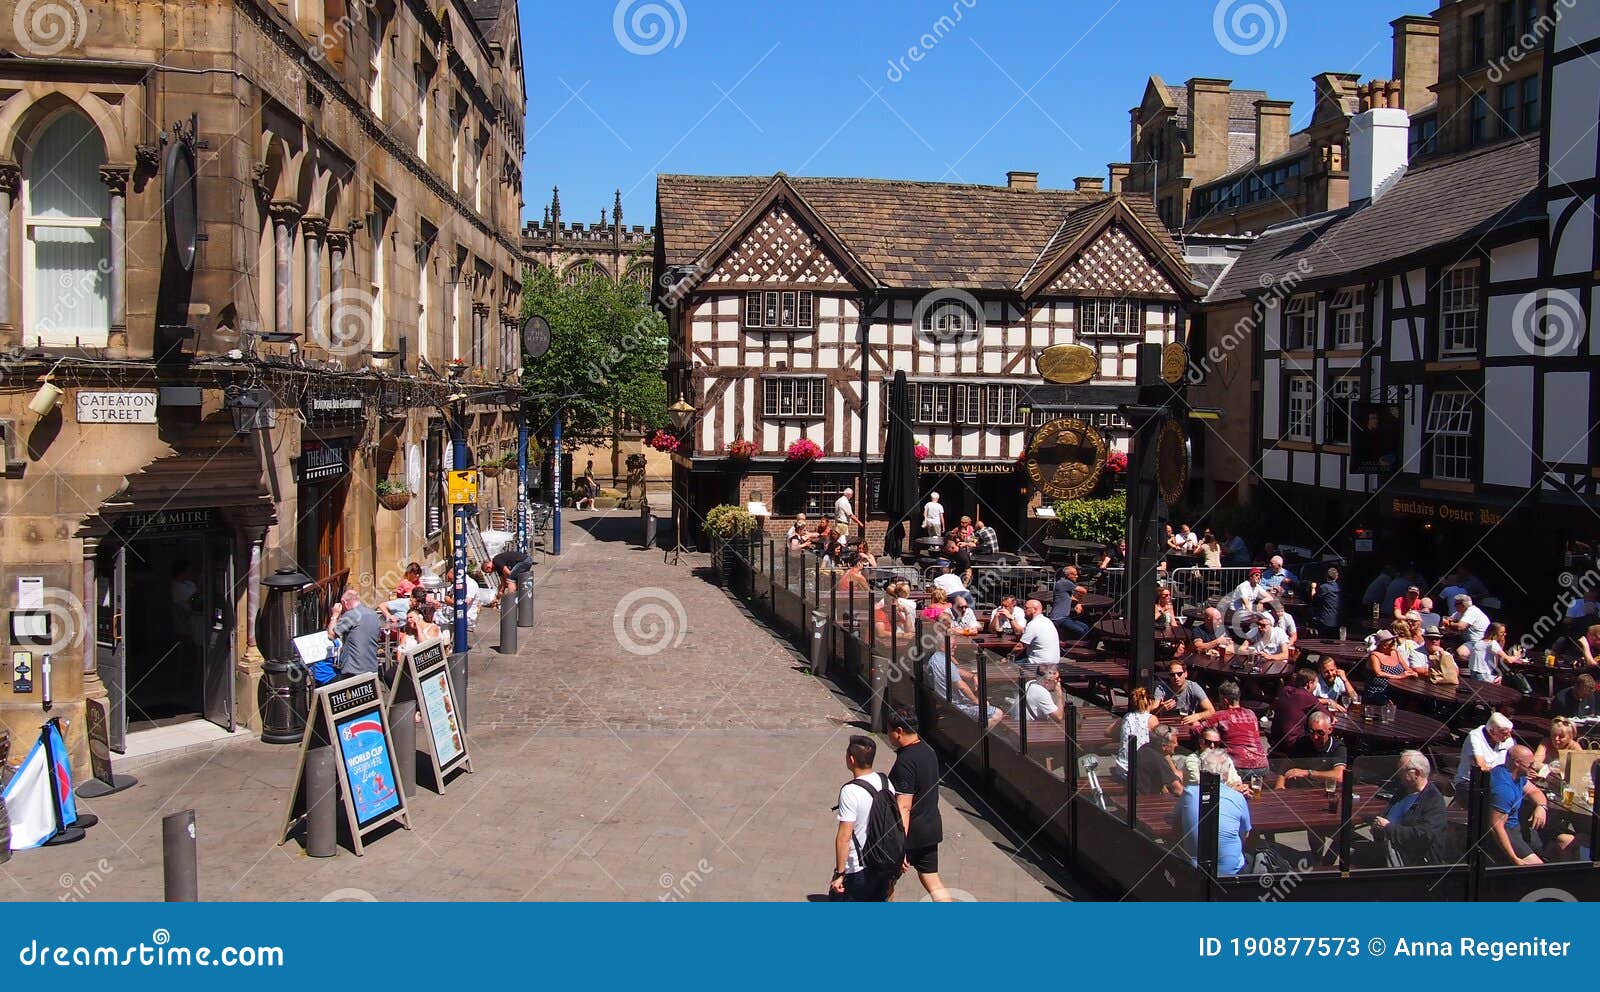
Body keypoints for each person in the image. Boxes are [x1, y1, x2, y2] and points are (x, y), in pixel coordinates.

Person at [886, 709, 949, 901]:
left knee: (885, 881)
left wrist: (900, 846)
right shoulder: (928, 751)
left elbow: (903, 806)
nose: (887, 735)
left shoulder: (905, 761)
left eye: (888, 731)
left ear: (898, 731)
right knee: (931, 878)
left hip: (912, 832)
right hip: (930, 827)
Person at [830, 736, 903, 901]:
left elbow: (844, 837)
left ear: (851, 759)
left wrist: (839, 873)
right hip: (883, 862)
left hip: (858, 867)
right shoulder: (885, 782)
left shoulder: (850, 791)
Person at [1177, 749, 1253, 876]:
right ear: (1226, 772)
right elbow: (1244, 834)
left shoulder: (1189, 792)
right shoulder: (1237, 797)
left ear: (1202, 770)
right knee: (1253, 853)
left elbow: (1176, 827)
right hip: (1230, 871)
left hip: (1194, 871)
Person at [1366, 751, 1449, 867]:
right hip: (1386, 848)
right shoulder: (1402, 791)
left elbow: (1424, 835)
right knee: (1347, 850)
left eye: (1401, 770)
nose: (1397, 774)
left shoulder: (1433, 800)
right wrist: (1378, 828)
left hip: (1411, 859)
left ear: (1416, 773)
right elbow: (1387, 817)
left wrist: (1388, 828)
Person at [1487, 745, 1548, 866]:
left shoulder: (1517, 776)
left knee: (1553, 847)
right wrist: (1514, 858)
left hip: (1518, 826)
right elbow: (1495, 827)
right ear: (1517, 763)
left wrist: (1541, 807)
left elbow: (1535, 791)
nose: (1533, 768)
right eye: (1530, 764)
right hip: (1507, 830)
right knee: (1539, 868)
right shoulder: (1504, 789)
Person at [1199, 681, 1269, 779]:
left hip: (1239, 767)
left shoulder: (1220, 716)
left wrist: (1195, 721)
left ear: (1225, 701)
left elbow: (1199, 731)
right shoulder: (1251, 713)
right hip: (1262, 766)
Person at [924, 650, 1004, 728]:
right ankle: (975, 737)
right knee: (997, 714)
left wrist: (972, 676)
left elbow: (956, 670)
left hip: (947, 702)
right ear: (943, 645)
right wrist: (976, 701)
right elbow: (962, 687)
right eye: (953, 645)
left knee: (986, 702)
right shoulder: (943, 662)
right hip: (956, 707)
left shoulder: (937, 657)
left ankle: (973, 729)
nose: (955, 647)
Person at [1274, 710, 1346, 789]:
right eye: (1311, 732)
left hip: (1321, 791)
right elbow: (1286, 764)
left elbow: (1340, 776)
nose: (1315, 737)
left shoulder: (1337, 747)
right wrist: (1279, 784)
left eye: (1320, 733)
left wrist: (1308, 773)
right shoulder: (1303, 742)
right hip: (1299, 790)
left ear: (1330, 730)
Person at [1453, 713, 1516, 795]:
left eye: (1509, 732)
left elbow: (1515, 760)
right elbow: (1481, 766)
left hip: (1497, 783)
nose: (1508, 736)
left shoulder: (1507, 740)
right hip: (1469, 783)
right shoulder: (1474, 737)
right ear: (1492, 731)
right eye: (1504, 733)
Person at [327, 588, 382, 679]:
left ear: (344, 602)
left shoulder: (351, 615)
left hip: (353, 668)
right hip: (371, 667)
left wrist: (335, 615)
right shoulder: (374, 614)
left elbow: (331, 635)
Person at [1268, 668, 1324, 752]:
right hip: (1292, 744)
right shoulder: (1308, 697)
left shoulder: (1285, 690)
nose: (1316, 686)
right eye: (1316, 683)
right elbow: (1328, 717)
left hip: (1274, 739)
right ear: (1310, 683)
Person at [1182, 727, 1248, 792]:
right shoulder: (1192, 760)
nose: (1212, 746)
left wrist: (1241, 788)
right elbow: (1201, 783)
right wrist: (1231, 789)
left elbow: (1234, 780)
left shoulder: (1225, 758)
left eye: (1216, 743)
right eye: (1208, 742)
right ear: (1201, 742)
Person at [1113, 687, 1159, 778]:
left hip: (1122, 768)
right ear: (1151, 701)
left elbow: (1108, 731)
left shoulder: (1127, 716)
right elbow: (1159, 745)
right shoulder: (1152, 719)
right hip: (1138, 771)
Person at [1137, 725, 1184, 797]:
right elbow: (1178, 790)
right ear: (1164, 746)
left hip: (1137, 793)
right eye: (1174, 742)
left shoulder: (1145, 748)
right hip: (1147, 800)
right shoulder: (1158, 760)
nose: (1177, 745)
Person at [1012, 599, 1061, 667]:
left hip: (1039, 663)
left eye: (1026, 608)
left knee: (1006, 666)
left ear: (1034, 609)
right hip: (1054, 661)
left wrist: (1008, 658)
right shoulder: (1047, 621)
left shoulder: (1033, 624)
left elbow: (1020, 647)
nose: (1024, 610)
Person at [1049, 565, 1089, 641]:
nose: (1077, 576)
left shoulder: (1062, 583)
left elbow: (1070, 597)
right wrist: (1080, 603)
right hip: (1059, 618)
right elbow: (1083, 591)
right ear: (1068, 575)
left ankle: (1079, 645)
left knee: (1085, 627)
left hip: (1065, 617)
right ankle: (1072, 646)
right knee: (1081, 631)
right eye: (1075, 574)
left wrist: (1077, 604)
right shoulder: (1065, 583)